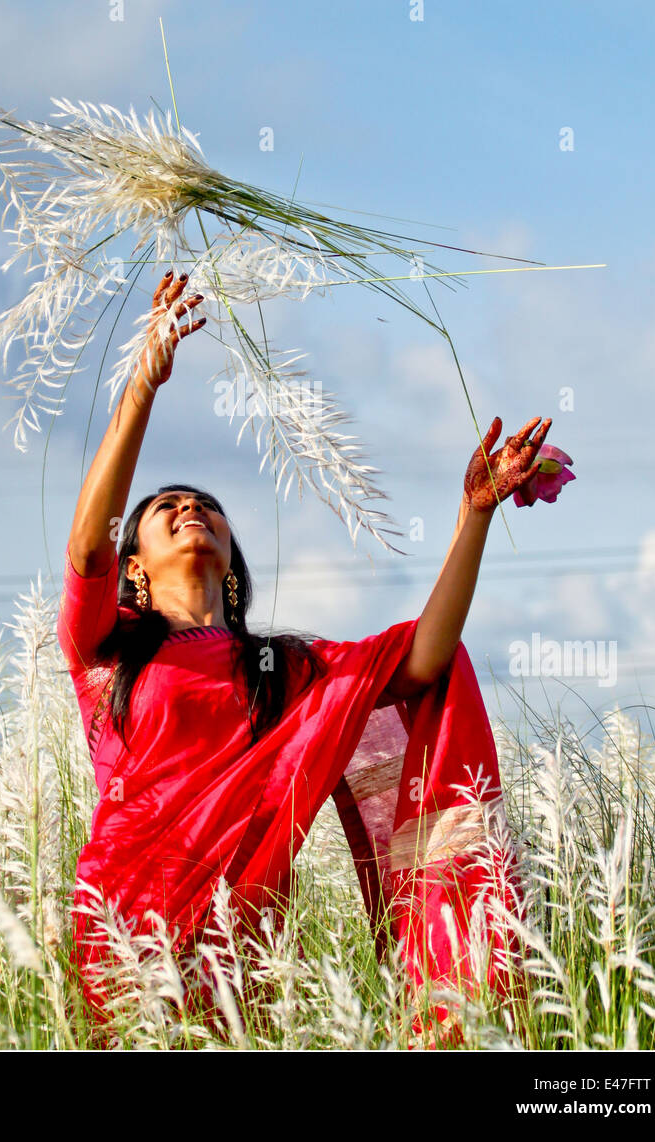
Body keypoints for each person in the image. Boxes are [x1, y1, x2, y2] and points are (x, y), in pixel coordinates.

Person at [58, 270, 553, 1045]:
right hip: (127, 912)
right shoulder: (108, 649)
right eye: (166, 509)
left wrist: (474, 516)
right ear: (134, 569)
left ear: (230, 556)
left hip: (245, 925)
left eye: (206, 507)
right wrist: (141, 387)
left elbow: (422, 661)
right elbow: (87, 542)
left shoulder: (285, 669)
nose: (190, 509)